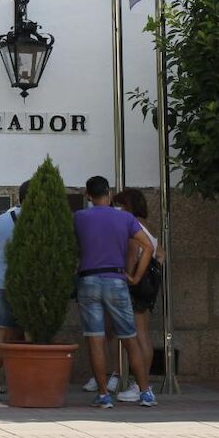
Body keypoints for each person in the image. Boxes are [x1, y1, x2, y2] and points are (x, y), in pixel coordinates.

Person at [75, 175, 156, 410]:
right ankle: (145, 392)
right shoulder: (125, 218)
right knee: (130, 339)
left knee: (96, 339)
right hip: (117, 280)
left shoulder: (80, 217)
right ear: (109, 194)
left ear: (88, 195)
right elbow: (148, 246)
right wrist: (137, 277)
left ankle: (103, 394)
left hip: (89, 279)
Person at [94, 187, 161, 402]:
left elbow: (132, 256)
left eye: (119, 205)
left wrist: (130, 277)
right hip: (147, 288)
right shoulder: (145, 227)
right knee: (142, 334)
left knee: (138, 335)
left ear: (126, 207)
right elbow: (160, 254)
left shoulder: (132, 228)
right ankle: (139, 382)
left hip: (135, 287)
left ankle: (140, 385)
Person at [0, 179, 29, 401]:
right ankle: (25, 381)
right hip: (30, 285)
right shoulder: (41, 220)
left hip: (4, 286)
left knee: (1, 334)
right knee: (30, 334)